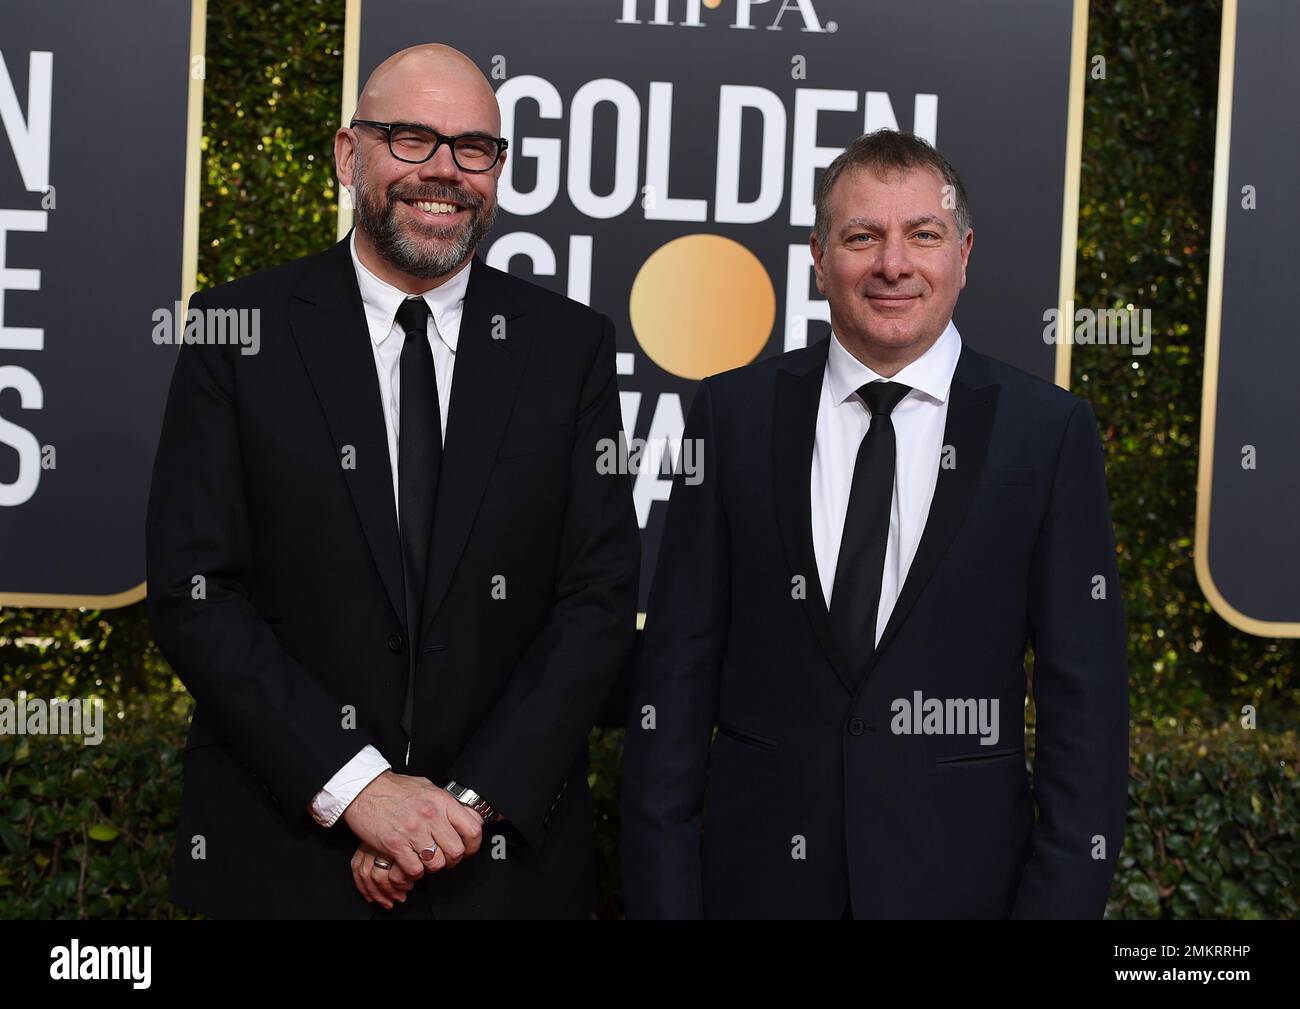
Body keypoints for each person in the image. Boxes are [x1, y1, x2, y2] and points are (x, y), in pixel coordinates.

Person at [146, 44, 638, 919]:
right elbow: (197, 593)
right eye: (412, 139)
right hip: (284, 864)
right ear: (348, 155)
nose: (444, 172)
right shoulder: (236, 332)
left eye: (473, 148)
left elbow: (597, 599)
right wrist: (361, 791)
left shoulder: (571, 351)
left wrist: (460, 811)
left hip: (499, 869)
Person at [621, 129, 1128, 919]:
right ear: (820, 259)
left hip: (964, 895)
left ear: (963, 252)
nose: (894, 264)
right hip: (755, 891)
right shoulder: (732, 416)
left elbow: (1086, 717)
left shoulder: (1048, 434)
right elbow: (674, 688)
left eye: (922, 235)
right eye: (863, 237)